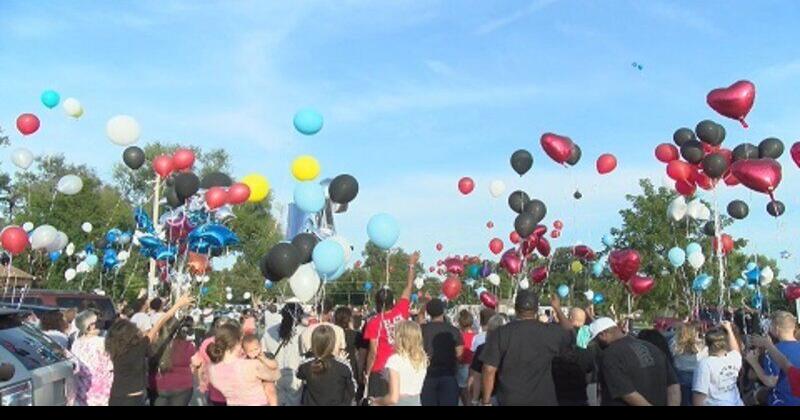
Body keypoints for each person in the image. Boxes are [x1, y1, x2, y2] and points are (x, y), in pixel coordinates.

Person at [479, 291, 572, 406]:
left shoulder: (501, 333)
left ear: (516, 308)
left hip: (510, 399)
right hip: (543, 399)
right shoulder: (550, 332)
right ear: (536, 310)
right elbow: (570, 331)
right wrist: (557, 308)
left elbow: (489, 369)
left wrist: (486, 401)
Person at [105, 295, 193, 406]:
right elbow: (160, 323)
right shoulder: (138, 348)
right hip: (133, 399)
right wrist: (177, 305)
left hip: (115, 397)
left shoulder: (114, 351)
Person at [363, 251, 419, 398]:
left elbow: (373, 352)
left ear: (377, 303)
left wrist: (367, 373)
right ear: (393, 301)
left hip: (380, 370)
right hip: (401, 369)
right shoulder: (401, 310)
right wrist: (411, 264)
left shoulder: (374, 322)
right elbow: (408, 286)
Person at [589, 317, 680, 406]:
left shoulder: (609, 355)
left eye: (596, 340)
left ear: (603, 335)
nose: (596, 344)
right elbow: (673, 384)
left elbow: (627, 393)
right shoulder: (651, 347)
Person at [207, 324, 279, 406]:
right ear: (238, 342)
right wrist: (267, 360)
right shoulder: (251, 365)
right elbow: (275, 377)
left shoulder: (212, 369)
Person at [370, 321, 428, 406]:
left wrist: (376, 402)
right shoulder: (421, 359)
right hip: (416, 401)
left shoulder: (395, 360)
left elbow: (393, 398)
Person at [749, 311, 800, 406]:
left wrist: (753, 362)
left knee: (757, 394)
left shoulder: (773, 351)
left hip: (783, 401)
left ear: (776, 328)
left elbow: (771, 382)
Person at [262, 302, 308, 406]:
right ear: (300, 315)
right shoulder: (304, 332)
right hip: (295, 376)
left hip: (275, 375)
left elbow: (263, 352)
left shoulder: (270, 331)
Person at [419, 298, 463, 406]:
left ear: (428, 312)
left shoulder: (422, 330)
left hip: (427, 375)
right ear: (443, 311)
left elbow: (420, 317)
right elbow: (460, 355)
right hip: (448, 374)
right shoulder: (453, 330)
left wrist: (424, 306)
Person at [297, 325, 355, 406]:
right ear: (332, 343)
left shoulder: (306, 365)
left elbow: (298, 374)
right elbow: (352, 388)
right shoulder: (343, 365)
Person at [692, 321, 743, 406]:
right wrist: (729, 330)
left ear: (707, 344)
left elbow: (699, 397)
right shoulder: (734, 358)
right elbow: (735, 349)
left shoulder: (705, 364)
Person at [150, 317, 196, 406]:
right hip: (182, 386)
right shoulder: (188, 345)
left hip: (157, 386)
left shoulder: (154, 345)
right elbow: (194, 364)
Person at [71, 310, 114, 406]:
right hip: (101, 389)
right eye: (98, 321)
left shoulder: (76, 343)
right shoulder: (101, 342)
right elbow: (111, 364)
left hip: (82, 388)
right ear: (90, 326)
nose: (101, 324)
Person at [468, 314, 507, 406]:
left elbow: (476, 377)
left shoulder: (482, 348)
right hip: (508, 394)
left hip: (489, 395)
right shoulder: (510, 349)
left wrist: (475, 400)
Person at [670, 322, 707, 406]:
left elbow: (671, 355)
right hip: (697, 375)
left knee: (684, 400)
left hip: (680, 375)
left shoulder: (676, 343)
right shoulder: (701, 345)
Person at [334, 306, 364, 397]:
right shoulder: (355, 335)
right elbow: (362, 353)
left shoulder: (332, 334)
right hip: (351, 366)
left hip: (335, 367)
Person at [242, 334, 279, 406]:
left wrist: (265, 360)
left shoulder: (267, 355)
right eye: (250, 351)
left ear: (260, 346)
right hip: (254, 384)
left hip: (267, 380)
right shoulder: (246, 360)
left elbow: (275, 365)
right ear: (245, 352)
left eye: (256, 349)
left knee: (270, 390)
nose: (254, 352)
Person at [456, 309, 476, 405]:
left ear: (460, 323)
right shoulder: (476, 336)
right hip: (474, 367)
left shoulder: (459, 336)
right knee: (471, 391)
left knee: (463, 390)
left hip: (462, 365)